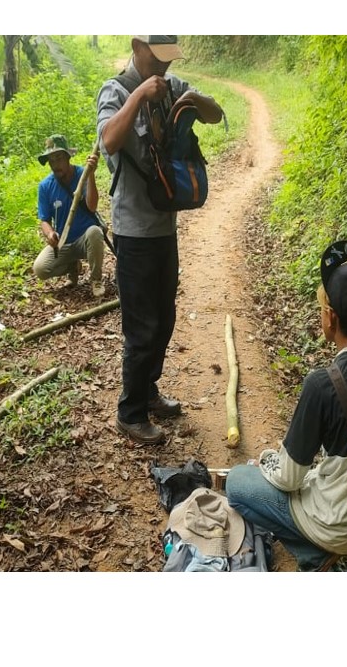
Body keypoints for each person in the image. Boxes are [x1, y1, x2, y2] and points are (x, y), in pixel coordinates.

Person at [225, 240, 347, 570]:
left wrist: (268, 460)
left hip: (339, 526)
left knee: (238, 483)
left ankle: (315, 554)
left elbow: (288, 479)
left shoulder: (323, 383)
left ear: (331, 317)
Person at [97, 36, 224, 445]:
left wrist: (195, 101)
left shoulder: (173, 84)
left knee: (164, 317)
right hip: (133, 231)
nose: (164, 68)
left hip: (165, 229)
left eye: (170, 61)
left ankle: (149, 391)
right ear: (138, 46)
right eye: (158, 58)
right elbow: (109, 141)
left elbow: (215, 113)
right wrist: (138, 95)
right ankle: (129, 412)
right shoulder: (115, 90)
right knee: (142, 326)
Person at [31, 134, 106, 297]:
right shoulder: (45, 186)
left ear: (67, 157)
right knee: (41, 268)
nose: (54, 164)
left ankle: (96, 280)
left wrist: (91, 174)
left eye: (58, 158)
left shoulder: (82, 174)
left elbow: (92, 207)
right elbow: (44, 220)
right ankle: (73, 267)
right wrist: (50, 233)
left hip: (85, 239)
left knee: (95, 232)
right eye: (51, 161)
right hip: (64, 242)